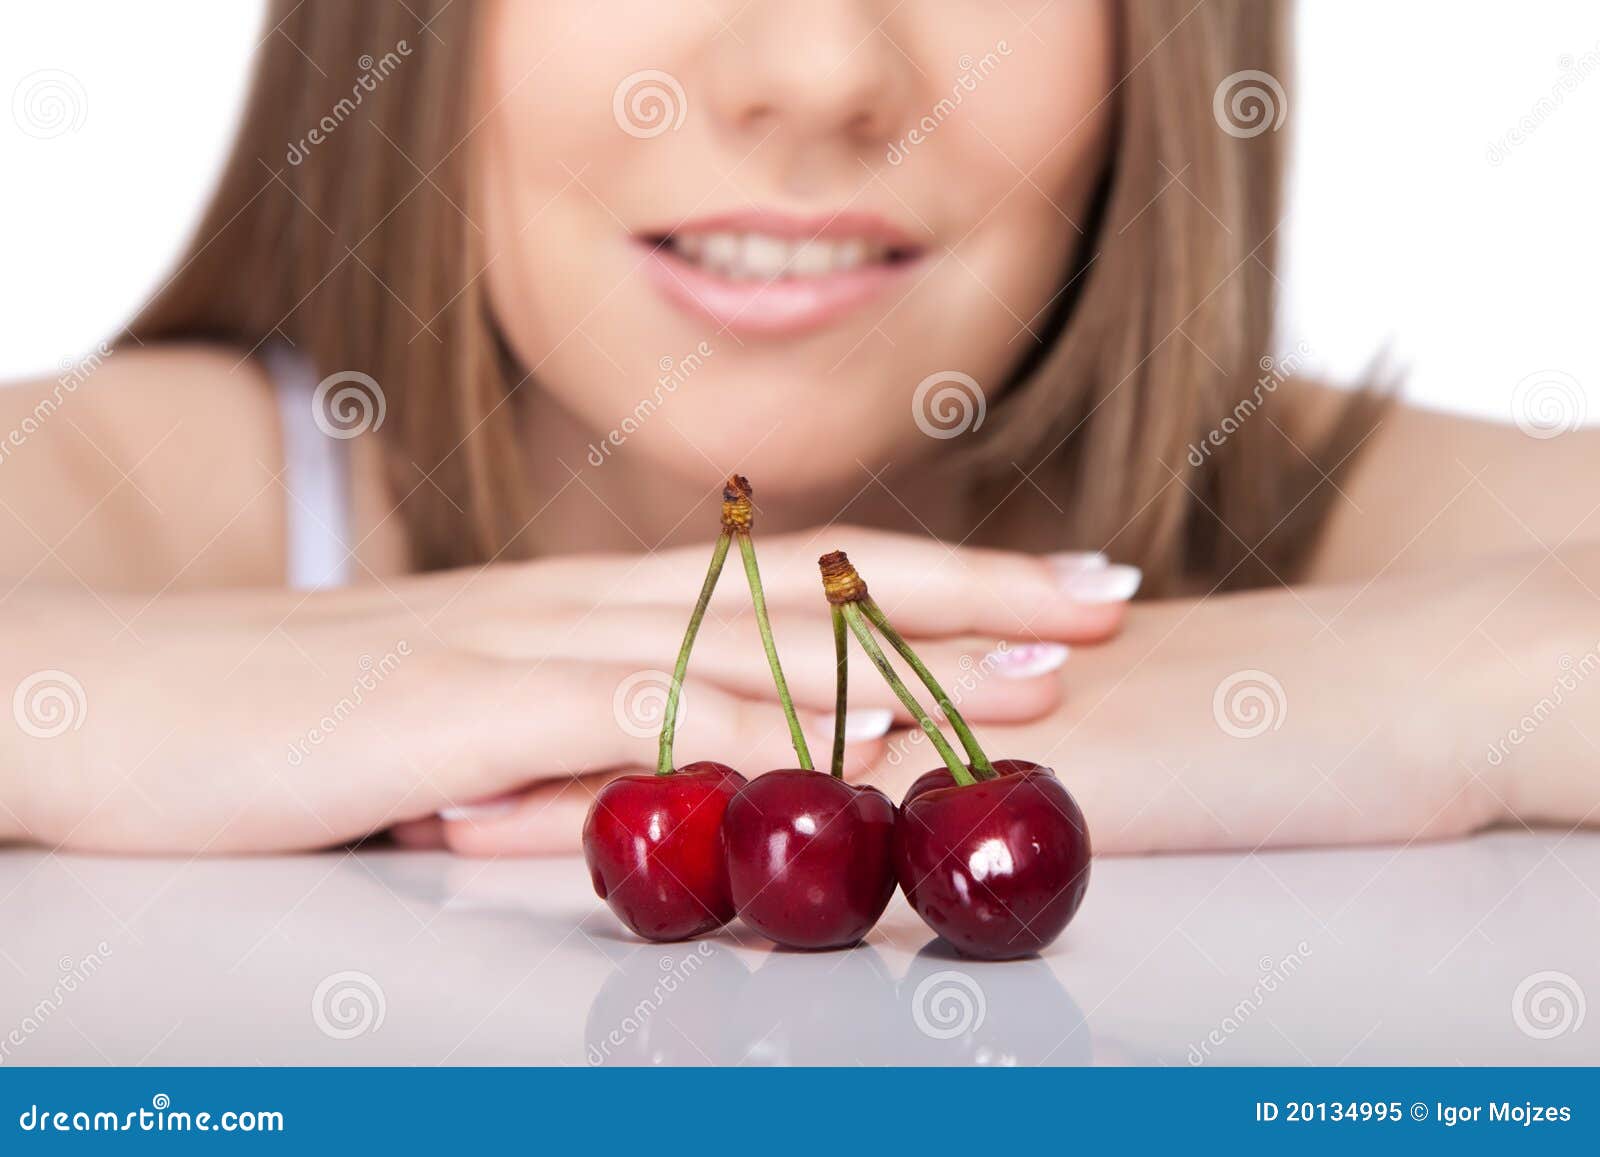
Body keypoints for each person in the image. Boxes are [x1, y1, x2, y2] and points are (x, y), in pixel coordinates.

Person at [2, 0, 1593, 856]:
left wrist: (1415, 682)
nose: (819, 69)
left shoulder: (1309, 504)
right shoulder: (185, 488)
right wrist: (70, 703)